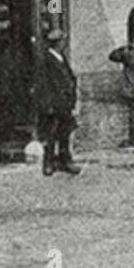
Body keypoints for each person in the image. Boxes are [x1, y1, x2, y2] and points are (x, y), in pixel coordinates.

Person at [35, 27, 81, 176]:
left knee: (65, 133)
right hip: (54, 105)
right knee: (51, 134)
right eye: (62, 41)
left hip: (65, 104)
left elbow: (69, 79)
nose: (64, 43)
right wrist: (47, 105)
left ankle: (65, 161)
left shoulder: (61, 57)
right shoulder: (46, 60)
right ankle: (48, 162)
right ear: (57, 43)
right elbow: (43, 84)